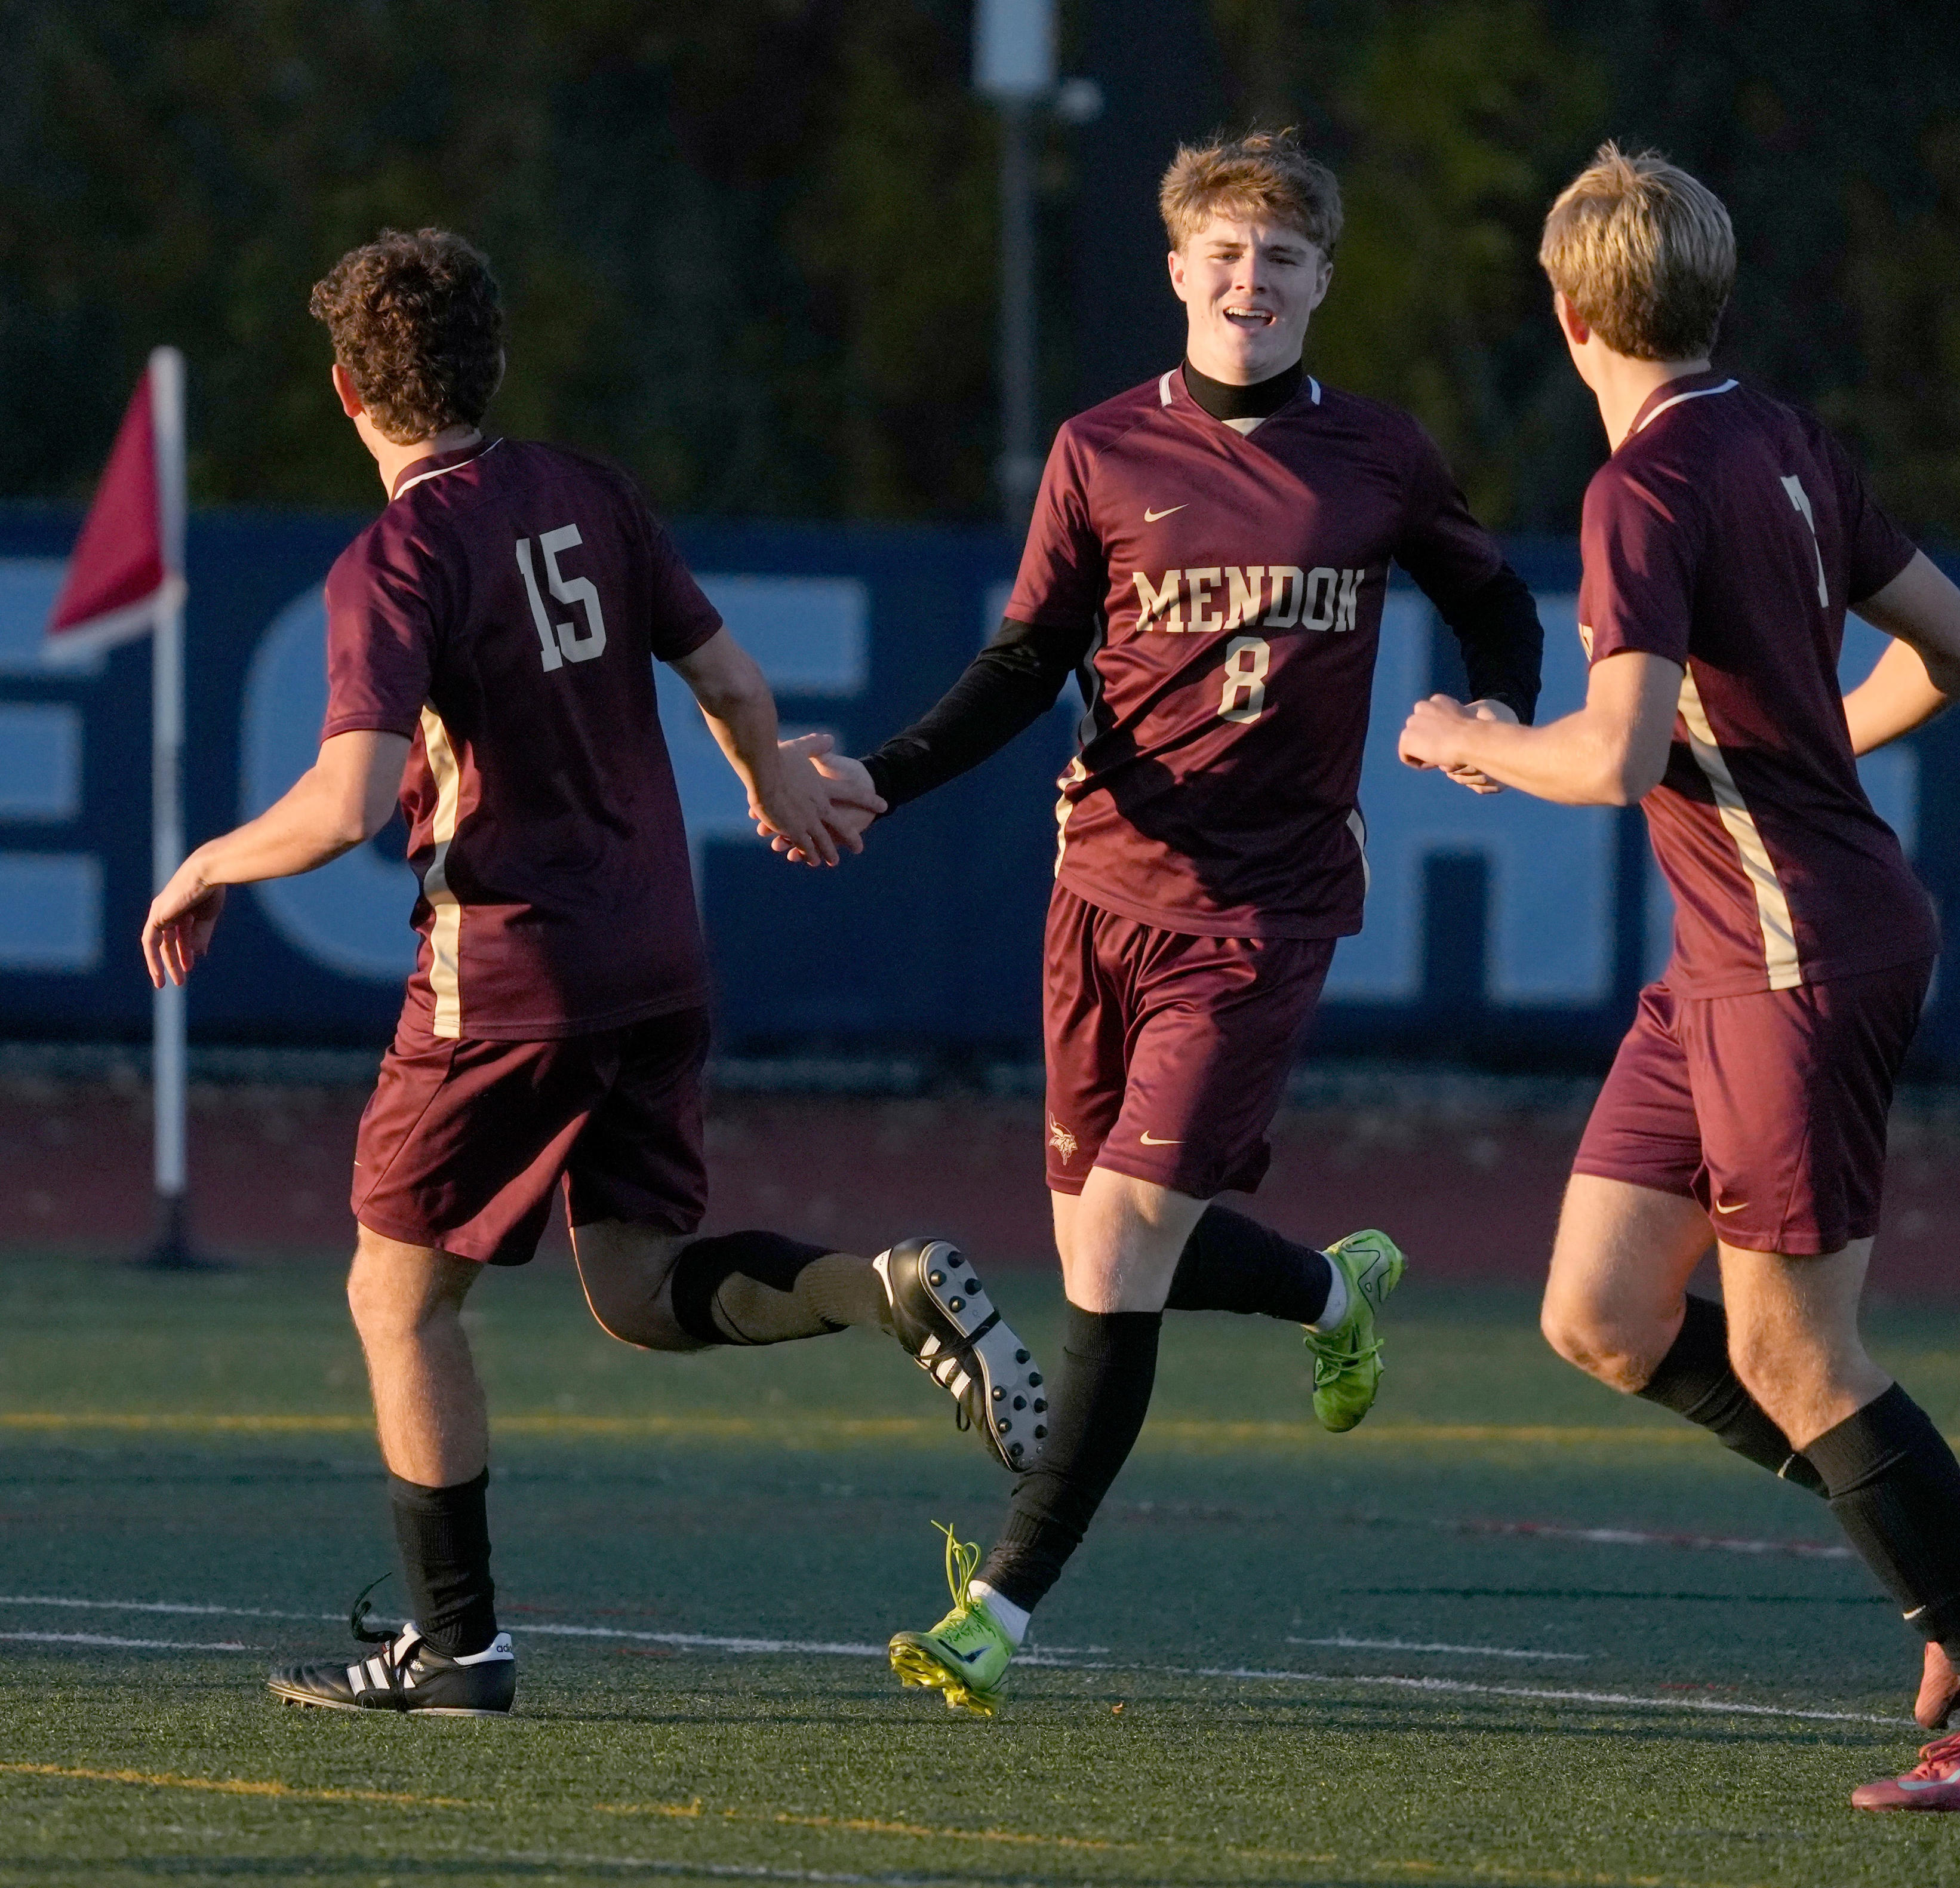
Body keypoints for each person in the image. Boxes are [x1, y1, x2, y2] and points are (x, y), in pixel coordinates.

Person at [140, 228, 1040, 1718]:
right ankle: (879, 1290)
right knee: (630, 1287)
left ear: (347, 387)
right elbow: (735, 686)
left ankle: (459, 1645)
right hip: (659, 954)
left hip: (509, 975)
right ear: (491, 367)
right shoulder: (588, 491)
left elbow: (349, 804)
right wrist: (773, 787)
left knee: (396, 1302)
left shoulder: (398, 553)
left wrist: (206, 863)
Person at [791, 130, 1545, 1715]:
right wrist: (882, 777)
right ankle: (1334, 1292)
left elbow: (1491, 598)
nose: (1249, 281)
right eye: (1222, 251)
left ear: (1322, 281)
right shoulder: (1098, 454)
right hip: (1098, 894)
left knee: (1122, 1248)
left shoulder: (1379, 458)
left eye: (1281, 258)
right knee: (1108, 1251)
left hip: (1262, 912)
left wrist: (1493, 714)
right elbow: (1020, 667)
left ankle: (999, 1606)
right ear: (1174, 266)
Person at [1397, 145, 1960, 1812]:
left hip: (1791, 953)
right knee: (1599, 1310)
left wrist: (1474, 741)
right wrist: (1806, 754)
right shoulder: (1780, 435)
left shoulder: (1637, 487)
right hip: (1743, 942)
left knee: (1799, 1353)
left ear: (1569, 318)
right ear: (1708, 296)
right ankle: (1945, 1508)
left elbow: (1621, 746)